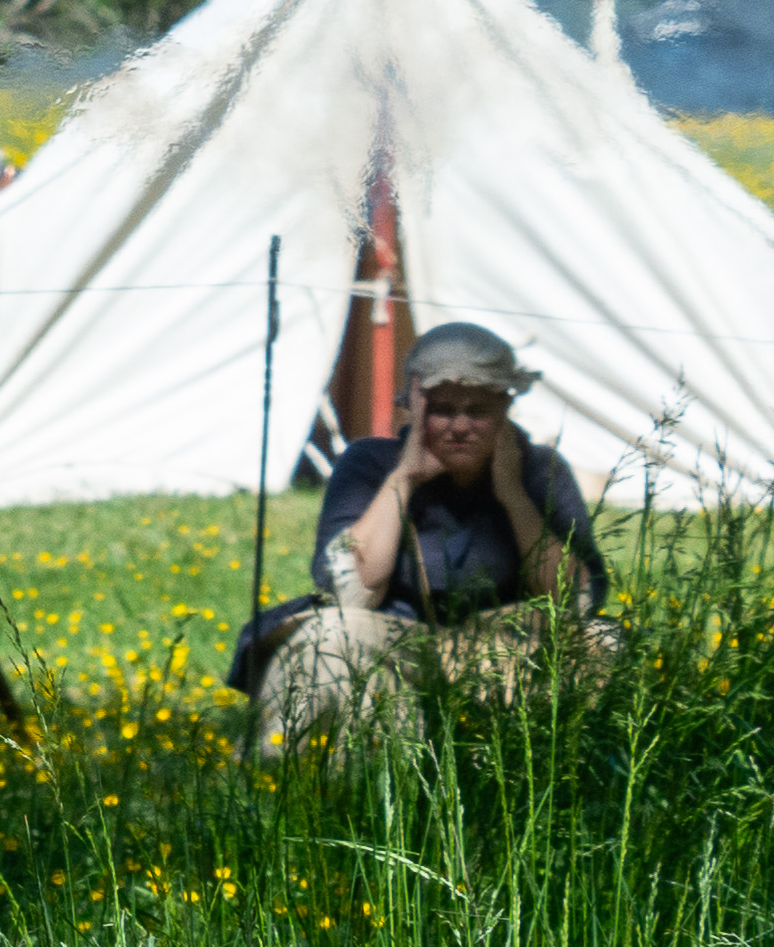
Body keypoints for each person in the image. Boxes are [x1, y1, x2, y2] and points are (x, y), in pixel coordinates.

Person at [242, 321, 612, 752]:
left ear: (504, 411)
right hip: (395, 638)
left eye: (477, 411)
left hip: (503, 646)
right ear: (415, 408)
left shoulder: (539, 470)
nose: (459, 426)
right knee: (327, 640)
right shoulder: (369, 464)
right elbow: (355, 593)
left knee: (600, 643)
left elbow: (572, 599)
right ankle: (341, 784)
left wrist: (512, 493)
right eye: (442, 409)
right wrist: (404, 478)